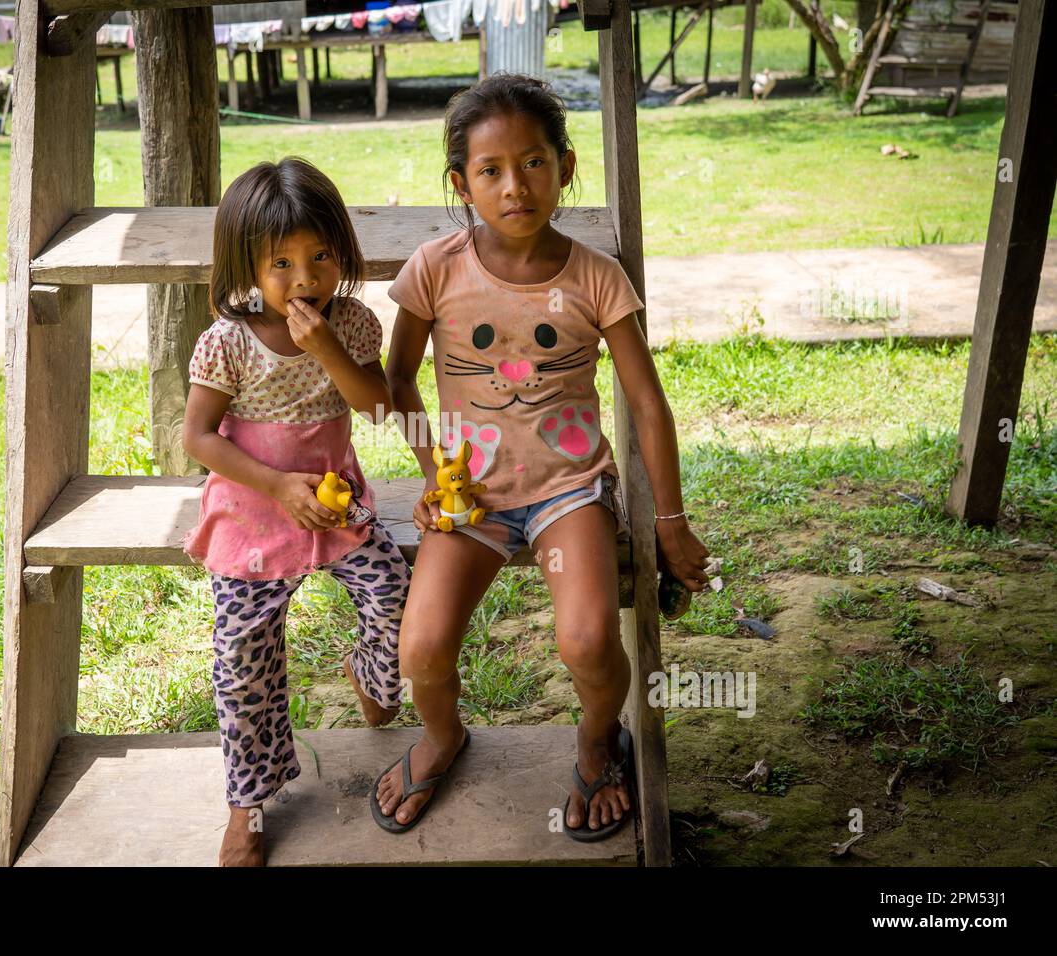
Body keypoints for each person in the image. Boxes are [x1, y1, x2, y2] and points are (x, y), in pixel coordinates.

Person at [374, 73, 711, 841]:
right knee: (420, 648)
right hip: (471, 501)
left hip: (568, 493)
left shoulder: (596, 277)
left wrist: (669, 520)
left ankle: (599, 738)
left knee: (589, 639)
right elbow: (396, 381)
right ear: (461, 183)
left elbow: (648, 404)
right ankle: (444, 736)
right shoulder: (435, 269)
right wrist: (435, 476)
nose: (514, 185)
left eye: (533, 163)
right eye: (490, 170)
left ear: (565, 166)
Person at [181, 158, 408, 865]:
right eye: (280, 263)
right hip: (253, 516)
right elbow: (197, 437)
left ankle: (370, 676)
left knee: (397, 597)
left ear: (343, 252)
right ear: (246, 264)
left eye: (320, 257)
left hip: (337, 510)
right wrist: (279, 486)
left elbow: (376, 408)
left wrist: (328, 348)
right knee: (244, 661)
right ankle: (247, 805)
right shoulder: (228, 341)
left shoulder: (353, 323)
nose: (304, 279)